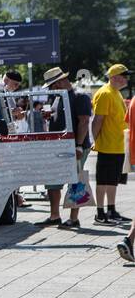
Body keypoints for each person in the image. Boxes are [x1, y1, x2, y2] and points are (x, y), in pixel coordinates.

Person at [37, 68, 92, 229]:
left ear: (60, 82)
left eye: (52, 86)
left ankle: (74, 218)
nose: (51, 89)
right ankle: (55, 216)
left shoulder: (80, 96)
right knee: (53, 181)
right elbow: (57, 116)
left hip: (75, 145)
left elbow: (84, 122)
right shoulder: (57, 96)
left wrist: (79, 146)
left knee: (76, 181)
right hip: (58, 144)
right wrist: (48, 116)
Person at [89, 64, 130, 226]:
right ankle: (100, 213)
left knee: (113, 180)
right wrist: (96, 141)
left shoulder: (116, 93)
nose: (126, 78)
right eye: (123, 75)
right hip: (107, 145)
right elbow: (97, 120)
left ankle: (111, 210)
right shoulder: (105, 93)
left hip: (119, 145)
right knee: (103, 180)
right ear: (114, 77)